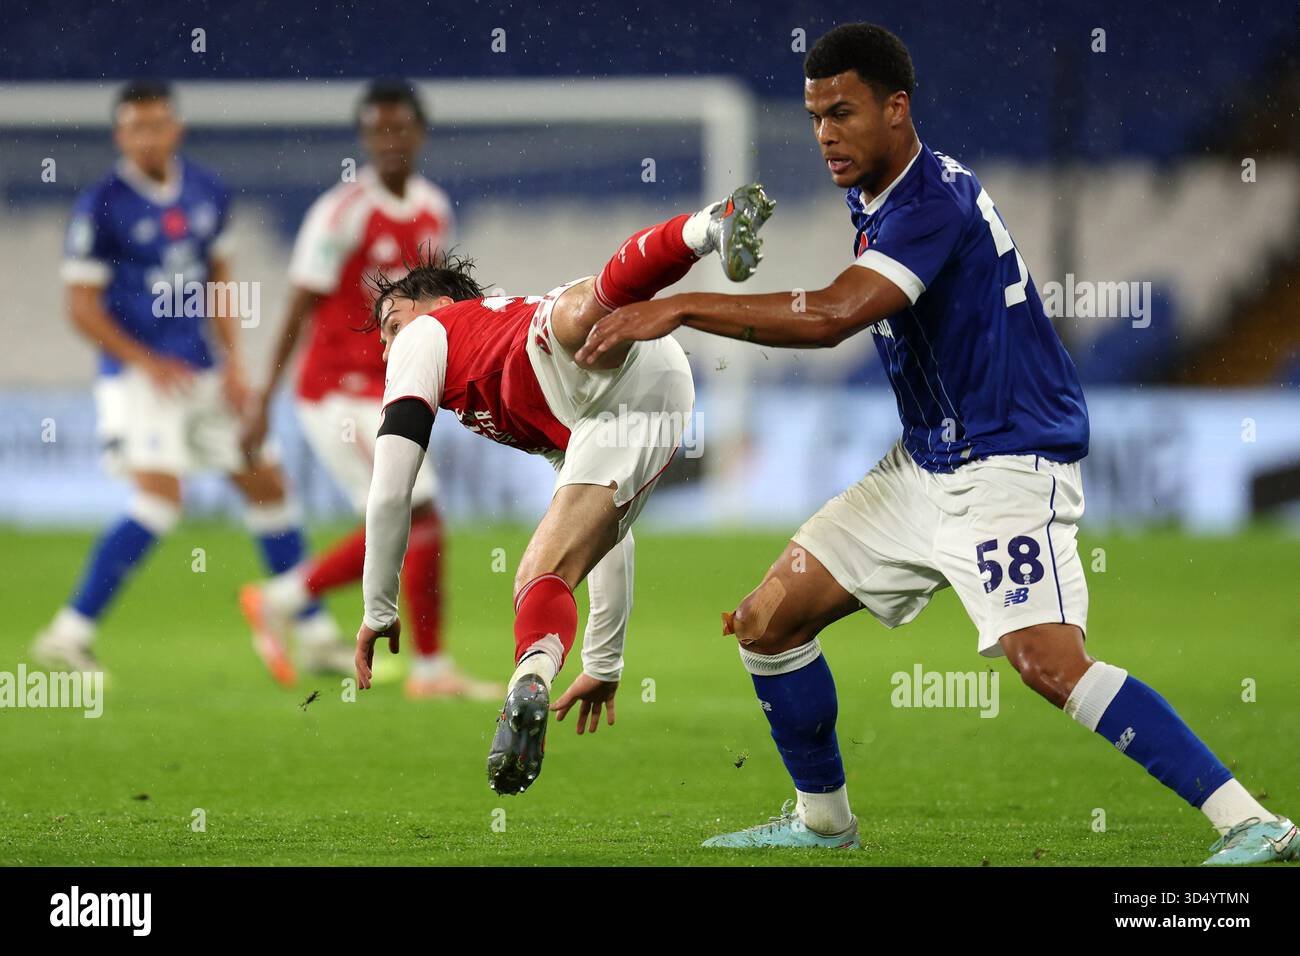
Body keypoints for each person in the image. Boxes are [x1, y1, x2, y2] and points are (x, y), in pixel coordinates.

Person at [576, 23, 1296, 865]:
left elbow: (841, 314)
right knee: (769, 622)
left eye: (842, 113)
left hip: (1005, 460)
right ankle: (823, 822)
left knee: (1048, 662)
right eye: (814, 118)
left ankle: (1251, 821)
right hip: (923, 463)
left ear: (897, 107)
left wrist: (681, 306)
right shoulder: (880, 191)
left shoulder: (930, 201)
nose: (825, 136)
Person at [354, 184, 775, 794]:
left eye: (391, 325)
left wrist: (378, 608)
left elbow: (392, 487)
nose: (388, 345)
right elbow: (609, 538)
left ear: (440, 303)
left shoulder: (431, 335)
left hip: (562, 343)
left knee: (587, 309)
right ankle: (533, 675)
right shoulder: (500, 394)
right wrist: (604, 662)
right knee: (542, 570)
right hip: (642, 400)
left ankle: (712, 224)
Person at [31, 80, 349, 679]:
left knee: (267, 484)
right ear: (120, 135)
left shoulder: (207, 191)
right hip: (136, 377)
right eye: (135, 128)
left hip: (201, 371)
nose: (147, 137)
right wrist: (145, 360)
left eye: (157, 125)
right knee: (159, 500)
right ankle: (67, 634)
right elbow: (80, 305)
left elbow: (219, 284)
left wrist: (235, 366)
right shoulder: (101, 204)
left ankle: (313, 633)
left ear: (175, 128)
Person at [238, 80, 480, 697]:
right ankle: (416, 664)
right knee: (415, 509)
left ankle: (418, 663)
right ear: (366, 139)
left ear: (419, 133)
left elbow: (441, 310)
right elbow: (298, 303)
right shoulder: (341, 212)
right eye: (377, 131)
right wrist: (262, 401)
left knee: (418, 516)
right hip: (335, 393)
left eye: (400, 129)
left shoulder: (434, 208)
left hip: (392, 388)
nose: (389, 142)